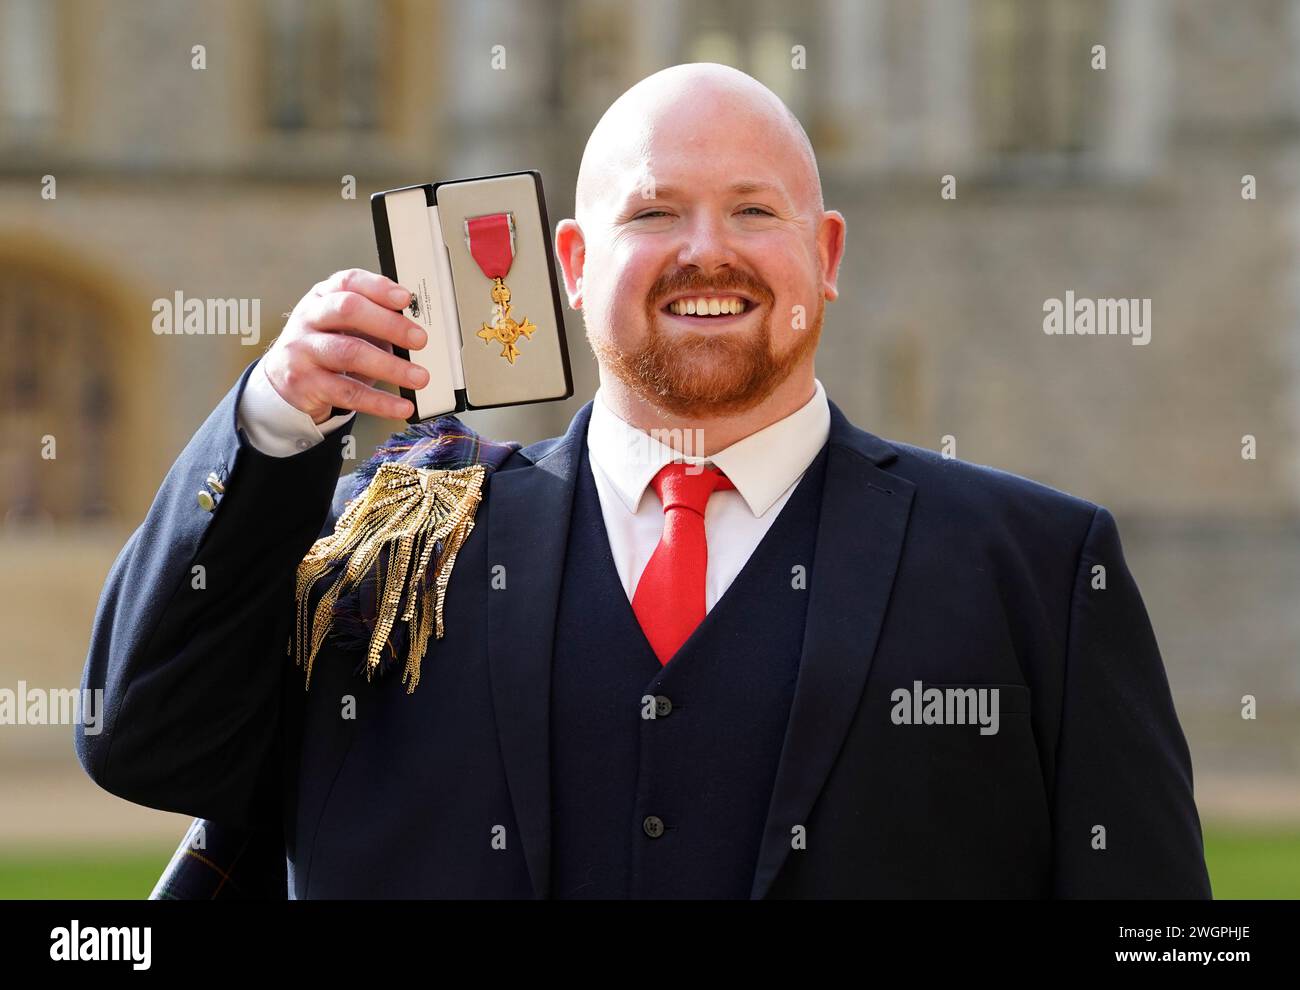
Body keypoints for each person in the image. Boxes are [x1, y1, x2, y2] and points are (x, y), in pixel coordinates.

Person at [77, 63, 1212, 898]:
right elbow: (143, 741)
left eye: (753, 212)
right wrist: (272, 428)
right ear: (572, 265)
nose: (703, 250)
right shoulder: (391, 539)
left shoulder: (1042, 569)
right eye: (654, 211)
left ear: (826, 255)